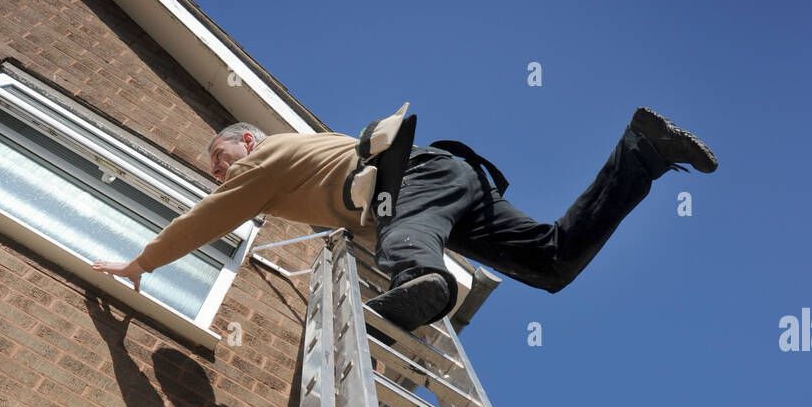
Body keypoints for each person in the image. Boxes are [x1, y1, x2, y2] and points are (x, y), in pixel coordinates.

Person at [92, 105, 716, 332]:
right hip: (457, 183)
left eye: (220, 160)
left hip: (413, 179)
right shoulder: (302, 170)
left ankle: (422, 280)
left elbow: (210, 217)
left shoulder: (274, 155)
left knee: (402, 232)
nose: (219, 174)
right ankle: (643, 152)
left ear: (249, 144)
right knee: (553, 262)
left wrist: (142, 261)